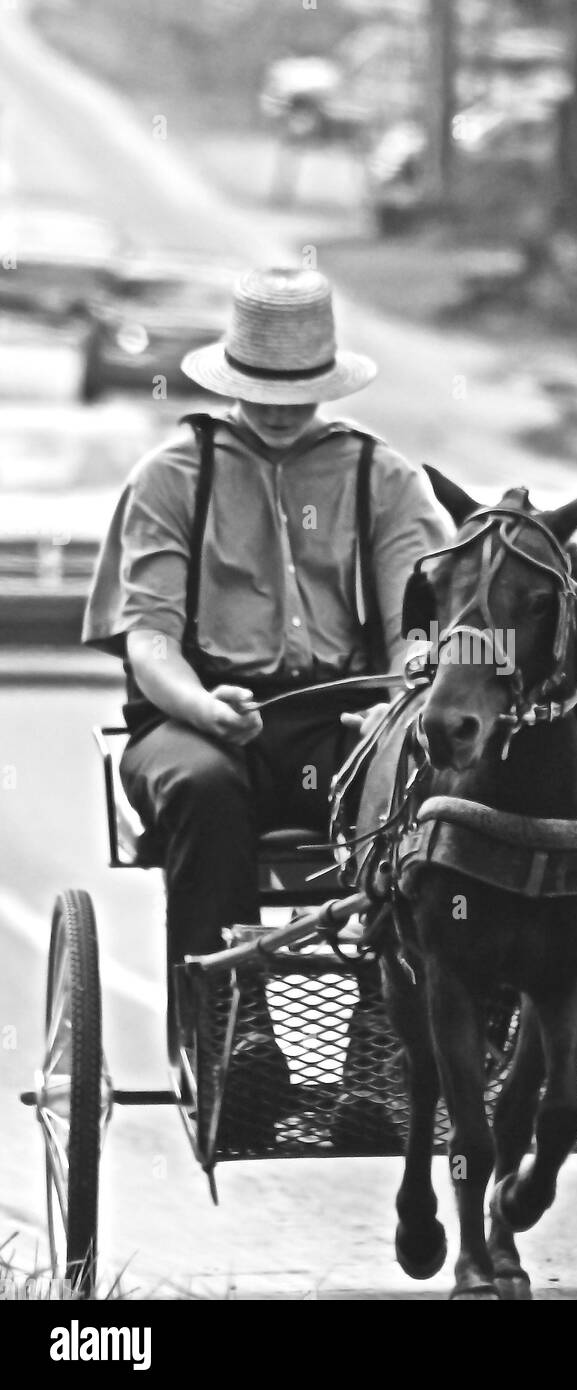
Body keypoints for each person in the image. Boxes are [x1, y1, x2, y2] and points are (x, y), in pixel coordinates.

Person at [82, 266, 449, 1141]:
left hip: (343, 718)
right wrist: (203, 705)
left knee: (414, 786)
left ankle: (381, 1050)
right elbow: (149, 639)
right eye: (263, 389)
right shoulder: (174, 474)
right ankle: (234, 1036)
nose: (279, 407)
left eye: (296, 390)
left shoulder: (381, 478)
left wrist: (399, 705)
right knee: (205, 787)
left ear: (325, 383)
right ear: (232, 380)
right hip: (195, 716)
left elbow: (418, 629)